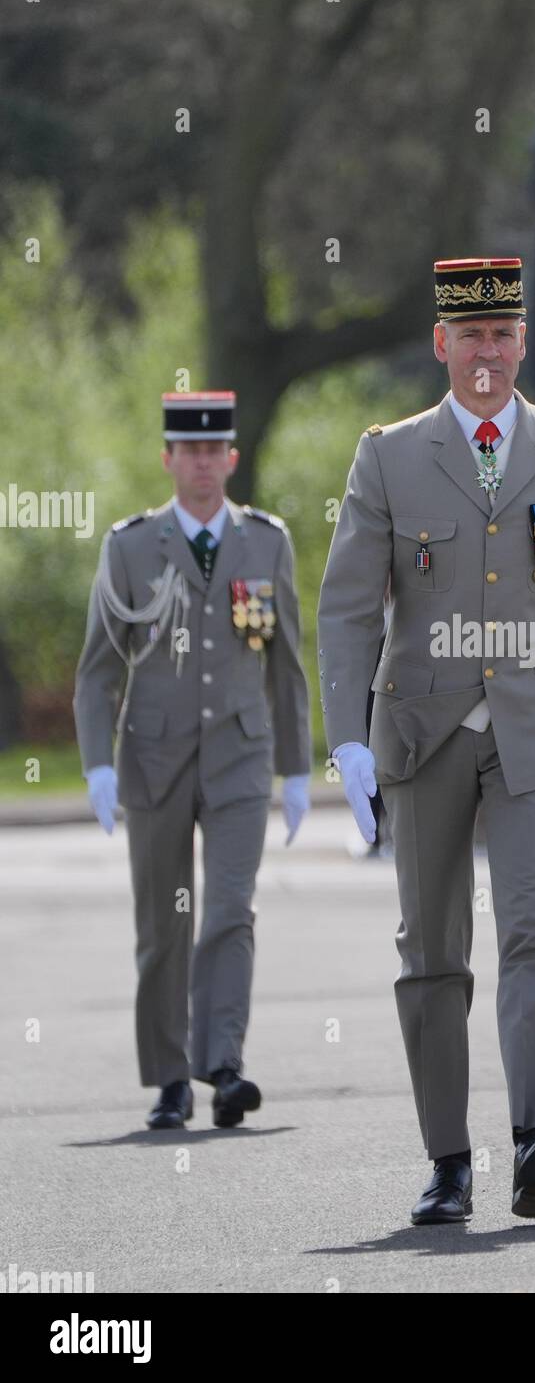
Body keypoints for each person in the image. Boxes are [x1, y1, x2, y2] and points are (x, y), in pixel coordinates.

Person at [317, 257, 535, 1222]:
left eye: (502, 336)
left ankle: (534, 1138)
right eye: (468, 337)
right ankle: (448, 1160)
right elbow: (348, 609)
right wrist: (347, 740)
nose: (486, 354)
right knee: (431, 950)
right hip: (422, 730)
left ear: (521, 342)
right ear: (440, 344)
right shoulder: (390, 456)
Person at [73, 391, 312, 1131]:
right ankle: (170, 1078)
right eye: (190, 451)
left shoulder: (266, 542)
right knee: (164, 923)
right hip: (153, 758)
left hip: (241, 756)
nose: (204, 464)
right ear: (168, 459)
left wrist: (299, 764)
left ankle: (225, 1065)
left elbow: (286, 662)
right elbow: (98, 670)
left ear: (231, 459)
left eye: (216, 452)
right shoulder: (132, 547)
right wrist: (97, 764)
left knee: (231, 908)